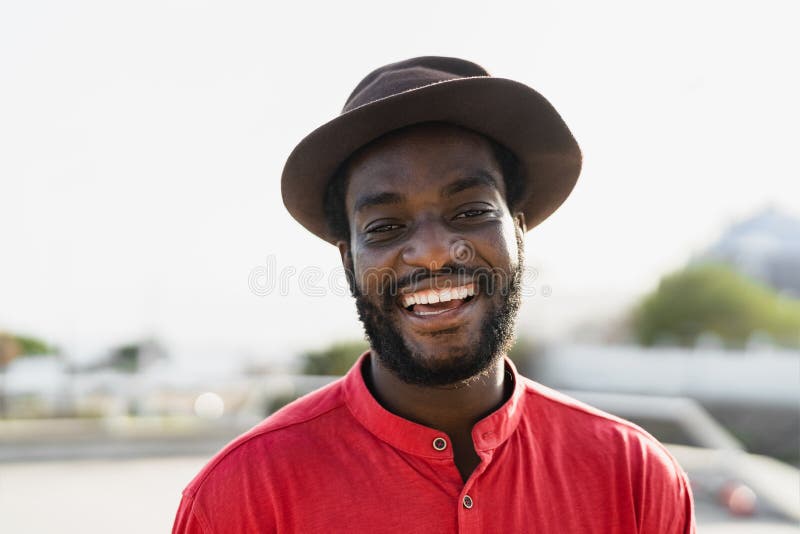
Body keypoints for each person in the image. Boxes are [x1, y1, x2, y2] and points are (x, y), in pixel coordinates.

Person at [172, 56, 696, 533]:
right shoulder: (239, 499)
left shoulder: (635, 478)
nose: (432, 253)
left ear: (518, 231)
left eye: (471, 212)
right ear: (347, 259)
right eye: (385, 226)